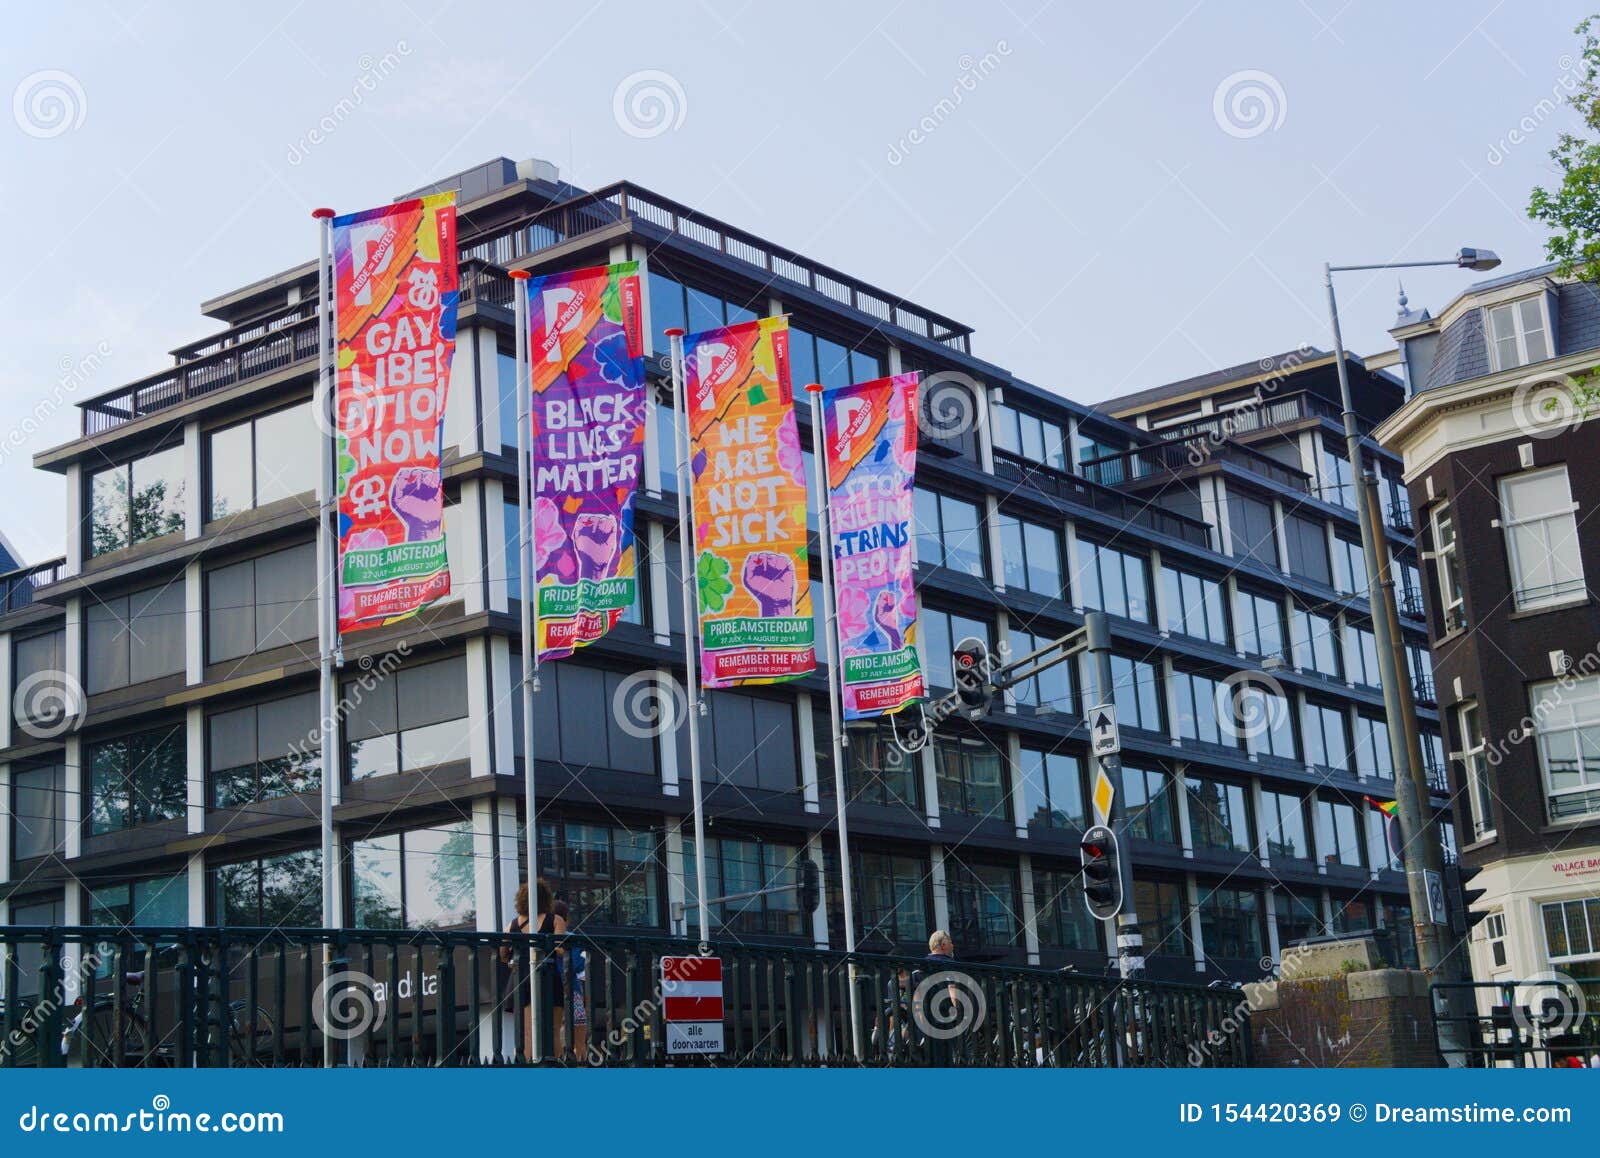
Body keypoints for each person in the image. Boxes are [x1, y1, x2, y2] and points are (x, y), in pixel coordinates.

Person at [502, 879, 565, 1059]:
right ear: (546, 899)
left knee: (527, 1034)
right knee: (553, 1031)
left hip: (521, 978)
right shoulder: (556, 920)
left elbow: (502, 952)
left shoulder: (512, 924)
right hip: (548, 976)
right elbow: (560, 949)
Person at [552, 899, 588, 1061]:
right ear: (565, 919)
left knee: (553, 1034)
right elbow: (581, 969)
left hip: (551, 992)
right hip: (572, 991)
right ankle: (581, 1063)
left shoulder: (541, 938)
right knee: (579, 1039)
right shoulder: (572, 939)